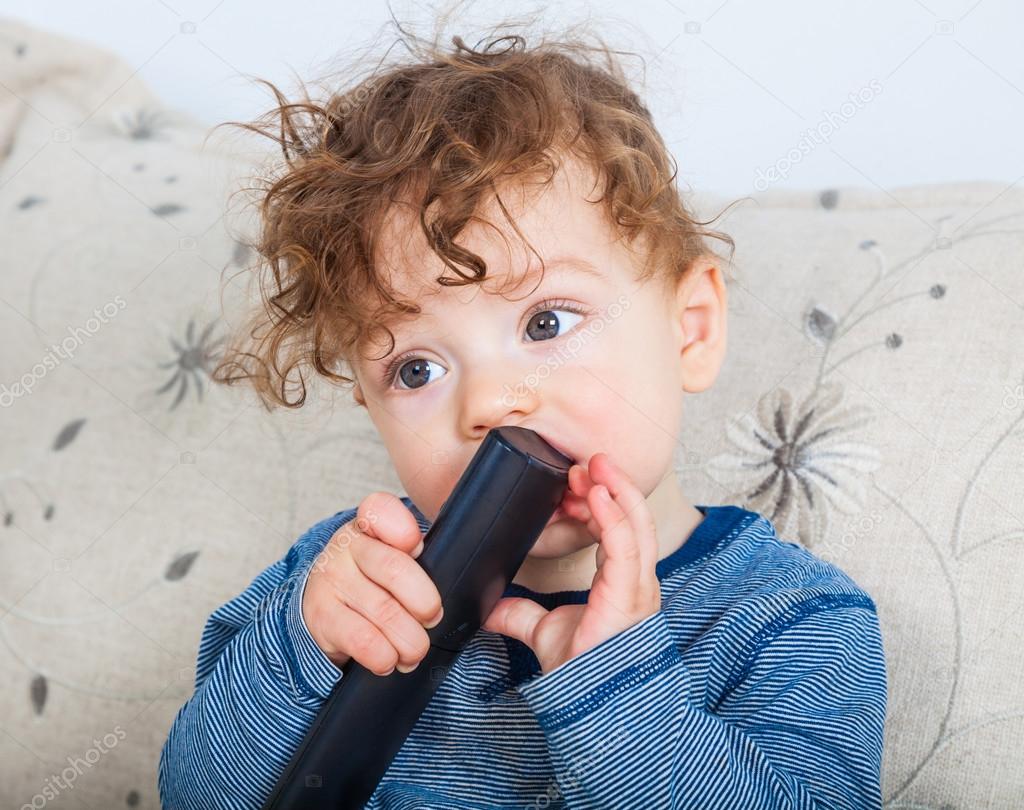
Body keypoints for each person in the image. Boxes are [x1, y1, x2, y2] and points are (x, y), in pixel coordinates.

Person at [159, 12, 887, 809]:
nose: (490, 404)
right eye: (416, 368)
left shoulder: (792, 623)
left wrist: (620, 688)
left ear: (691, 329)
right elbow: (194, 795)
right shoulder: (343, 586)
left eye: (547, 323)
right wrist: (299, 648)